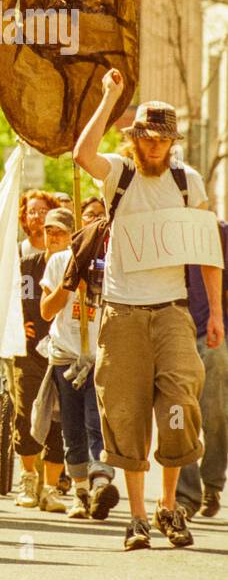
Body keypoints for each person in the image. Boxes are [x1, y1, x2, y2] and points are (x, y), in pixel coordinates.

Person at [74, 75, 223, 550]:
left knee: (181, 404)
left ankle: (169, 505)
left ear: (172, 143)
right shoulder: (119, 172)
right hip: (122, 312)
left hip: (173, 311)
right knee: (126, 413)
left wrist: (216, 312)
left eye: (162, 140)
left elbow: (206, 252)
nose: (154, 146)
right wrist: (109, 98)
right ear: (134, 138)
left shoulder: (187, 180)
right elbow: (82, 155)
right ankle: (137, 516)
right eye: (146, 138)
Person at [38, 207, 116, 520]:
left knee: (96, 422)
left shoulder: (111, 265)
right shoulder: (59, 262)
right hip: (66, 357)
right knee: (71, 429)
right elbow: (46, 310)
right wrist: (70, 285)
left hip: (100, 358)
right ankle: (81, 492)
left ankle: (101, 483)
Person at [10, 189, 68, 512]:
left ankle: (51, 487)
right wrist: (18, 325)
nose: (38, 219)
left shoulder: (71, 263)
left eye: (45, 214)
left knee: (59, 417)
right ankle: (28, 477)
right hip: (28, 348)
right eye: (32, 213)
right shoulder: (25, 264)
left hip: (63, 348)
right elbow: (6, 300)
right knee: (26, 412)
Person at [175, 216, 228, 519]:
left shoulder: (218, 230)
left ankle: (213, 484)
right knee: (179, 413)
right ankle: (186, 494)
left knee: (216, 412)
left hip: (211, 333)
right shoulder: (160, 225)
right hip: (173, 332)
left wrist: (219, 320)